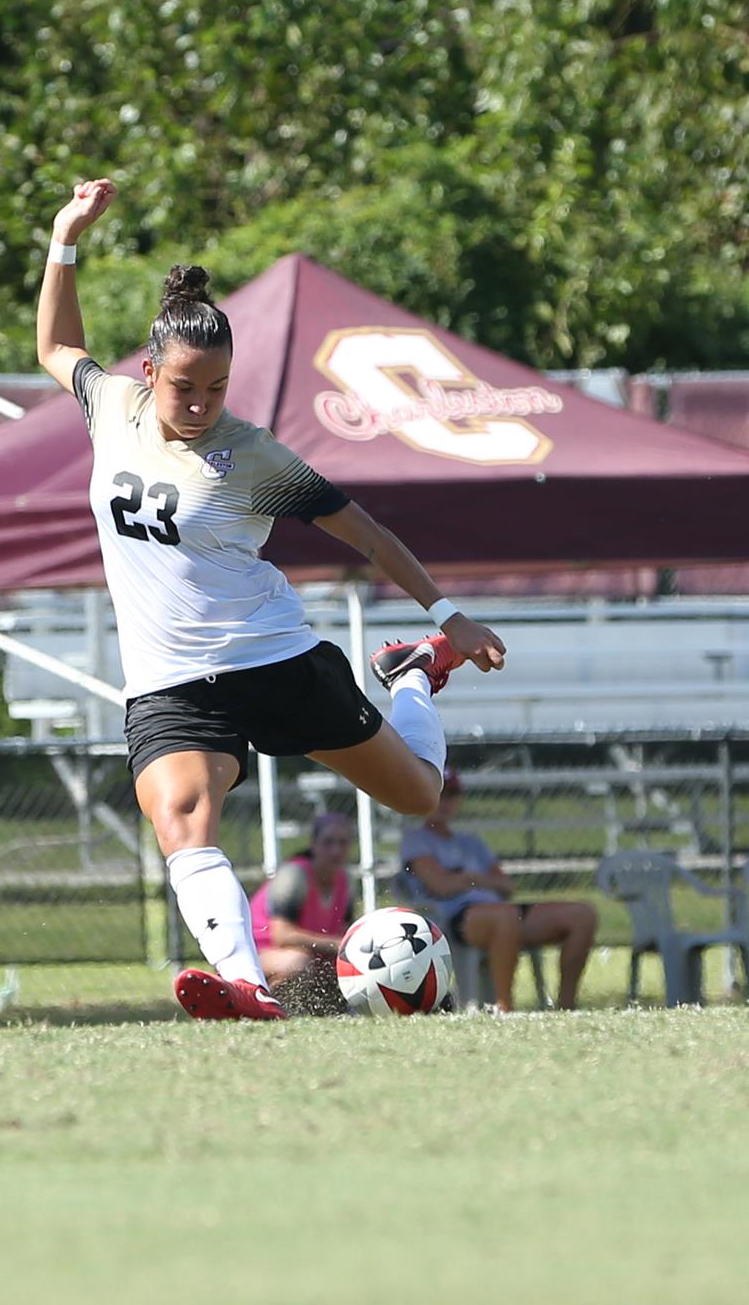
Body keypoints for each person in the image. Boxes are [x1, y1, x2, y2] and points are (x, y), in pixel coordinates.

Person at [35, 177, 508, 1021]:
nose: (200, 403)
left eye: (216, 388)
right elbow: (55, 346)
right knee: (182, 819)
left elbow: (365, 534)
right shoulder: (112, 405)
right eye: (184, 387)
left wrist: (447, 617)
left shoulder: (253, 456)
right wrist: (66, 237)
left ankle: (411, 678)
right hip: (169, 680)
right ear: (149, 371)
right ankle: (248, 985)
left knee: (418, 794)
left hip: (272, 658)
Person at [401, 770, 599, 1011]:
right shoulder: (416, 840)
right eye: (439, 794)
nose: (445, 802)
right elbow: (441, 886)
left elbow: (507, 886)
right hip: (454, 919)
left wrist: (466, 879)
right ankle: (504, 1007)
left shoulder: (472, 842)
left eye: (452, 794)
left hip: (500, 911)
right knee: (505, 917)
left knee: (582, 915)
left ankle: (567, 1007)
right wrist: (480, 879)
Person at [246, 813, 356, 1015]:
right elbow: (283, 936)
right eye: (328, 842)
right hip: (255, 955)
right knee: (298, 963)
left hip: (304, 956)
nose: (336, 850)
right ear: (314, 845)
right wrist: (337, 945)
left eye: (343, 843)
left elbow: (344, 932)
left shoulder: (345, 882)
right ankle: (263, 1008)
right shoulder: (294, 876)